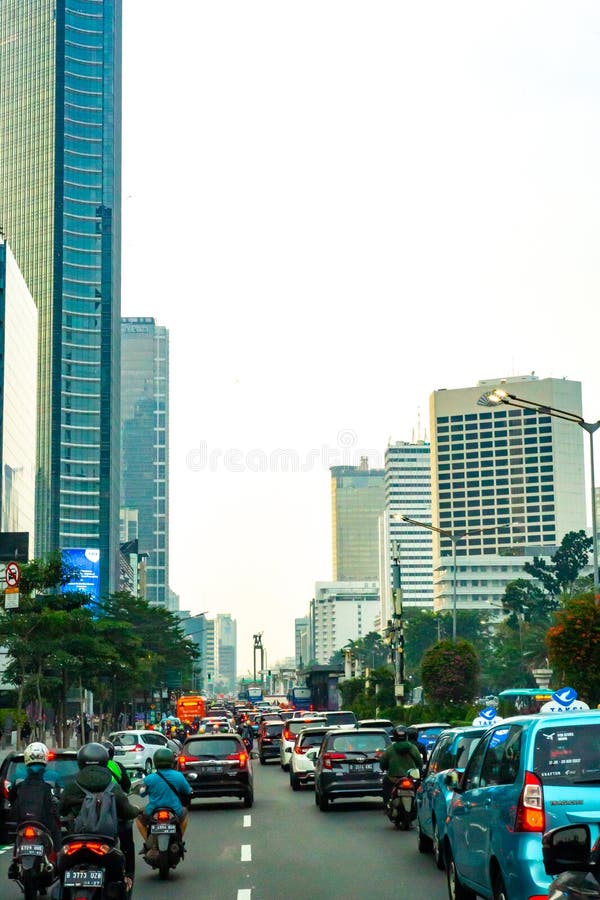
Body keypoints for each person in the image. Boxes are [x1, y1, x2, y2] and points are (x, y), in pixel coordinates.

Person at [59, 742, 138, 893]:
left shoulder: (72, 786)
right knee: (127, 831)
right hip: (105, 839)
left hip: (75, 839)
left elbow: (61, 810)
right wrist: (136, 811)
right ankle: (129, 877)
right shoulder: (112, 787)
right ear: (105, 761)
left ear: (80, 762)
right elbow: (127, 812)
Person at [7, 742, 61, 881]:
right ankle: (58, 861)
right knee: (56, 832)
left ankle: (15, 860)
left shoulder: (18, 775)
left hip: (23, 819)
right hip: (44, 820)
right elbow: (58, 796)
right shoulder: (53, 776)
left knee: (17, 837)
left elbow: (12, 796)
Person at [135, 748, 191, 850]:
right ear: (171, 761)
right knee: (185, 813)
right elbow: (187, 791)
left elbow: (142, 793)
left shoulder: (149, 778)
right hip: (175, 810)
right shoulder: (179, 776)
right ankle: (179, 840)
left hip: (152, 811)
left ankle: (148, 843)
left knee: (139, 819)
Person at [101, 740, 135, 889]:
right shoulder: (117, 767)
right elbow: (126, 786)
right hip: (117, 812)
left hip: (91, 817)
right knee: (127, 840)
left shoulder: (84, 771)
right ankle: (129, 873)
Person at [379, 727, 423, 808]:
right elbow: (420, 762)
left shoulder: (390, 749)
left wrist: (384, 768)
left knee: (385, 781)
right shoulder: (413, 748)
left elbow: (383, 763)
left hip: (394, 778)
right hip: (411, 777)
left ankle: (387, 804)